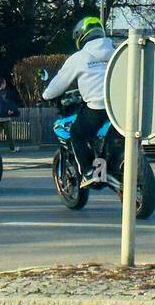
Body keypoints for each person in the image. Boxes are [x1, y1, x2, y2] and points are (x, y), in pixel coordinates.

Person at [43, 16, 115, 182]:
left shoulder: (79, 58)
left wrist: (46, 95)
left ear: (81, 36)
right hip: (122, 107)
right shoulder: (117, 52)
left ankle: (91, 173)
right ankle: (106, 168)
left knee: (78, 134)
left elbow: (58, 83)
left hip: (98, 107)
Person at [0, 76, 20, 153]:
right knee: (9, 136)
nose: (5, 85)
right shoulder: (4, 92)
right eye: (5, 83)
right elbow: (8, 103)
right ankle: (12, 149)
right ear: (2, 84)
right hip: (6, 117)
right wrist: (11, 110)